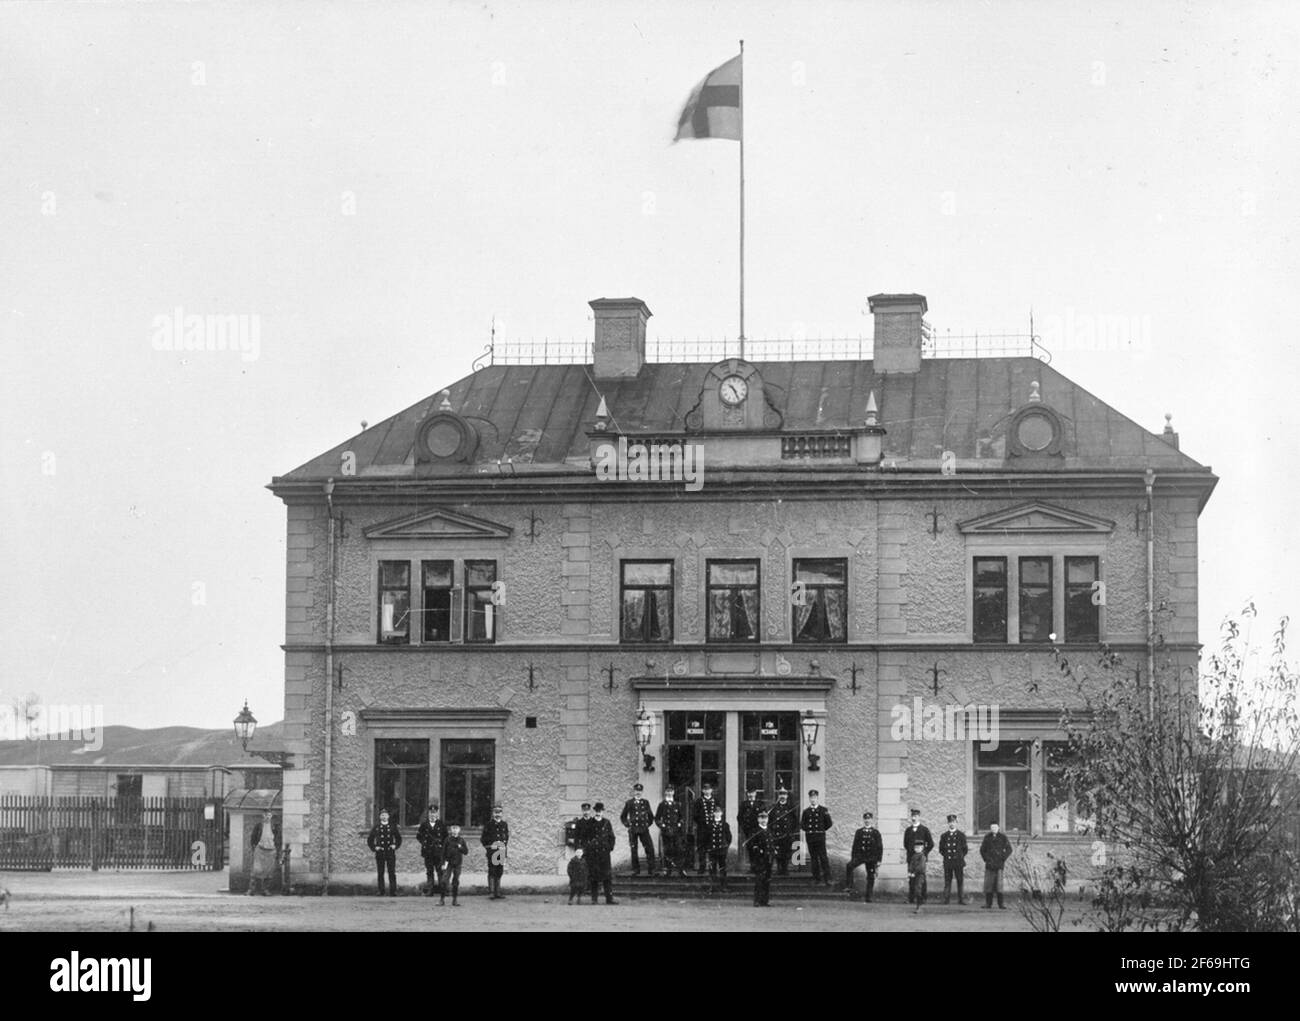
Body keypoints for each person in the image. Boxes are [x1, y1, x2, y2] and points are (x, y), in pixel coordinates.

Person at [844, 810, 883, 902]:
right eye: (865, 819)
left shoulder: (875, 832)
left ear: (871, 820)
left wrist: (878, 860)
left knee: (870, 876)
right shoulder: (859, 832)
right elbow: (855, 846)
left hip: (871, 858)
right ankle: (849, 886)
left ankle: (868, 896)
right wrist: (854, 857)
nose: (867, 821)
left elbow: (880, 847)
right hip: (860, 856)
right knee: (849, 865)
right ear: (863, 820)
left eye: (869, 819)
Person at [620, 782, 657, 876]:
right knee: (634, 849)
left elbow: (651, 816)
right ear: (633, 791)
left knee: (649, 848)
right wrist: (628, 824)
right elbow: (623, 816)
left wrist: (646, 825)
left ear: (642, 792)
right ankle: (636, 869)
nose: (638, 793)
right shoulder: (629, 803)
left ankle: (651, 869)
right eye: (636, 791)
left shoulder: (645, 802)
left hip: (643, 829)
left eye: (640, 791)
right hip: (633, 830)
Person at [586, 802, 619, 904]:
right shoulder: (590, 823)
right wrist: (589, 848)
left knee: (607, 877)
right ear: (594, 811)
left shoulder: (607, 823)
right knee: (594, 877)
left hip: (604, 854)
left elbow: (612, 837)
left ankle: (609, 899)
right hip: (594, 854)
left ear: (603, 812)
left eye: (600, 811)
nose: (598, 813)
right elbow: (586, 837)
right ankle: (594, 899)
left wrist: (609, 847)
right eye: (596, 811)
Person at [416, 801, 448, 898]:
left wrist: (442, 847)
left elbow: (446, 838)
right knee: (429, 871)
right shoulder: (424, 825)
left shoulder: (441, 824)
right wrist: (425, 843)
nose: (432, 815)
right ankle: (430, 891)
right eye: (431, 813)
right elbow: (418, 836)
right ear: (428, 814)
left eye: (434, 813)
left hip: (438, 852)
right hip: (428, 851)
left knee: (440, 871)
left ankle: (443, 891)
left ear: (437, 814)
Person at [800, 789, 833, 886]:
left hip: (820, 837)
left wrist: (820, 830)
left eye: (814, 797)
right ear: (809, 798)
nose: (813, 799)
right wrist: (810, 831)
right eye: (811, 797)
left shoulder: (823, 810)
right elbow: (803, 825)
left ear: (817, 798)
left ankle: (828, 879)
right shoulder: (806, 811)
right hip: (810, 838)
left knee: (823, 858)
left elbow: (829, 823)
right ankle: (816, 878)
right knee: (813, 858)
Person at [367, 807, 402, 896]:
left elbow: (398, 838)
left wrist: (395, 845)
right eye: (382, 815)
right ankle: (381, 891)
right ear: (379, 817)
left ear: (388, 816)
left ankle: (393, 891)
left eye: (385, 815)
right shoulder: (377, 827)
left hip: (390, 852)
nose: (384, 817)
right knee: (380, 872)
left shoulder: (392, 827)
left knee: (392, 872)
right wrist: (375, 847)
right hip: (380, 852)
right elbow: (370, 839)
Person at [902, 808, 934, 905]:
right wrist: (911, 853)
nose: (913, 818)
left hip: (921, 859)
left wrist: (924, 853)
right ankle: (911, 898)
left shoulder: (924, 830)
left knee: (921, 878)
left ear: (919, 817)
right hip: (911, 858)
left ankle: (923, 898)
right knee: (911, 878)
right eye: (912, 816)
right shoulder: (908, 830)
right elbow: (905, 844)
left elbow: (931, 844)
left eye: (915, 816)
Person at [980, 822, 1013, 910]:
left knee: (999, 885)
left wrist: (1003, 857)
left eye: (995, 827)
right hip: (990, 864)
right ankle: (988, 904)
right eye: (992, 827)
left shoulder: (1003, 837)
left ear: (998, 828)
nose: (993, 829)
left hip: (999, 864)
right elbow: (982, 850)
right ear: (990, 828)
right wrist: (986, 859)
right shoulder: (987, 837)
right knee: (989, 885)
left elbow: (1009, 849)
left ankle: (1000, 904)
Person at [248, 809, 280, 896]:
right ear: (263, 816)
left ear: (271, 816)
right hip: (260, 850)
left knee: (269, 872)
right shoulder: (259, 826)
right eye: (265, 815)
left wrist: (276, 849)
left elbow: (278, 839)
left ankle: (265, 890)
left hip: (271, 851)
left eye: (269, 815)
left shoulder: (275, 826)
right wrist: (254, 848)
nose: (267, 817)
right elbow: (253, 838)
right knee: (256, 870)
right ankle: (251, 890)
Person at [481, 803, 510, 900]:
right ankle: (492, 892)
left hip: (501, 851)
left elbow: (506, 837)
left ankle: (498, 892)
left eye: (499, 812)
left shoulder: (504, 824)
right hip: (492, 851)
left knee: (499, 871)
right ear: (493, 813)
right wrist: (489, 848)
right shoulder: (489, 825)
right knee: (492, 871)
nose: (497, 814)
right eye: (495, 812)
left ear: (502, 813)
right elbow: (483, 839)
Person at [655, 787, 686, 877]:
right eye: (668, 791)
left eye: (671, 791)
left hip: (676, 831)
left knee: (679, 849)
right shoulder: (662, 805)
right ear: (665, 792)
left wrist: (680, 823)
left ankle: (681, 870)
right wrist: (662, 825)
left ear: (673, 792)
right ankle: (668, 870)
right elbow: (657, 818)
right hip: (666, 831)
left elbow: (682, 817)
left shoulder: (677, 804)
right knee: (668, 850)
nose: (669, 793)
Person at [747, 810, 776, 907]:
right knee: (759, 880)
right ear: (758, 819)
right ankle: (757, 900)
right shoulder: (755, 831)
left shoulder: (769, 830)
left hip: (769, 859)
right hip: (760, 859)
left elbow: (772, 844)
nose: (764, 820)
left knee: (767, 880)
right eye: (762, 818)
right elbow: (752, 845)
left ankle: (765, 900)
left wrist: (773, 852)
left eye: (765, 818)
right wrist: (759, 852)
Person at [939, 814, 969, 905]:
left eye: (953, 822)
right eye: (950, 822)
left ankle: (961, 899)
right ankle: (946, 899)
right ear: (948, 823)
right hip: (948, 862)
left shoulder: (961, 835)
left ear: (956, 823)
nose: (952, 824)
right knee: (947, 881)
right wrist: (947, 856)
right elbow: (941, 849)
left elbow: (965, 849)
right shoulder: (944, 836)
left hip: (958, 862)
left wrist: (959, 856)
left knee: (960, 881)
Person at [768, 788, 797, 876]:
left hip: (787, 834)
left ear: (787, 796)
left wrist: (791, 832)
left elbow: (795, 821)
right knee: (778, 852)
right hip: (776, 834)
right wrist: (771, 833)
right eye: (781, 794)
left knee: (786, 852)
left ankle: (785, 869)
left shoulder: (790, 808)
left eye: (784, 795)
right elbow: (769, 821)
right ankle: (779, 868)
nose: (782, 796)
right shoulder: (774, 808)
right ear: (778, 796)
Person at [694, 782, 720, 874]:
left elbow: (719, 813)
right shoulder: (699, 801)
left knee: (713, 847)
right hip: (702, 828)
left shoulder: (716, 801)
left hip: (713, 828)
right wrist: (702, 821)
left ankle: (713, 867)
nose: (707, 791)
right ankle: (702, 867)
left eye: (708, 789)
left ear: (711, 790)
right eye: (705, 789)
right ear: (702, 790)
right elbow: (695, 815)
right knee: (702, 849)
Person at [706, 803, 732, 893]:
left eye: (719, 812)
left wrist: (725, 846)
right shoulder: (709, 825)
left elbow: (729, 837)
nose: (717, 814)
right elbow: (706, 837)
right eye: (715, 812)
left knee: (722, 869)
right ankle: (712, 887)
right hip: (712, 850)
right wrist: (708, 847)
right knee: (712, 869)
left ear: (721, 813)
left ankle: (723, 887)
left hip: (722, 850)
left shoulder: (725, 825)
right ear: (713, 814)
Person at [441, 823, 469, 906]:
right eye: (453, 828)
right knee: (444, 881)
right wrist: (443, 863)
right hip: (448, 863)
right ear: (451, 830)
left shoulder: (461, 840)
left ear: (459, 830)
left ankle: (455, 900)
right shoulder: (447, 840)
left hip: (457, 863)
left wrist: (460, 847)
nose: (454, 830)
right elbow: (443, 852)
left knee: (455, 881)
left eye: (456, 828)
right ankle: (442, 899)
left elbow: (466, 852)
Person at [737, 788, 765, 857]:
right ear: (747, 794)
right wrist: (744, 827)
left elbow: (764, 816)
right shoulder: (743, 804)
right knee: (751, 850)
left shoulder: (760, 804)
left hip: (759, 831)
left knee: (760, 849)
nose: (751, 795)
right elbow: (739, 817)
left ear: (755, 793)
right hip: (748, 831)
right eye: (749, 793)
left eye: (752, 793)